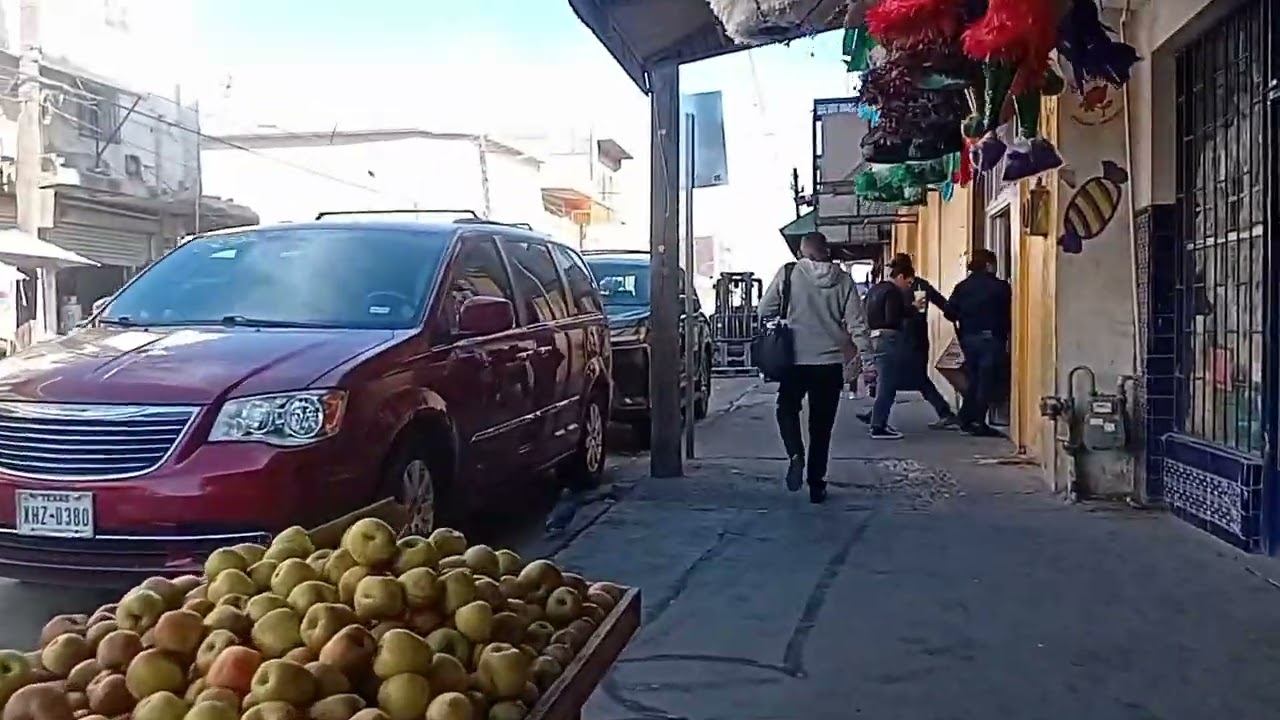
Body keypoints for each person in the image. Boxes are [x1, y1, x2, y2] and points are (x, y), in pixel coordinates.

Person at [759, 232, 870, 504]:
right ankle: (816, 484)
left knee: (786, 409)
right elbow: (858, 323)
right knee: (821, 427)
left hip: (794, 360)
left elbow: (765, 310)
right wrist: (868, 360)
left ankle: (795, 453)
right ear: (826, 251)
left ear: (803, 253)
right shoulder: (843, 279)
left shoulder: (789, 273)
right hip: (830, 364)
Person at [856, 254, 959, 429]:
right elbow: (942, 304)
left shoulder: (903, 287)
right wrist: (954, 316)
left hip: (904, 338)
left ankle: (878, 416)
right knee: (904, 378)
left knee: (905, 378)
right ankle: (877, 414)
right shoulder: (917, 286)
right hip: (913, 337)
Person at [945, 248, 1012, 437]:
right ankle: (978, 422)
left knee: (974, 379)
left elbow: (949, 312)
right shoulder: (1001, 287)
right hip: (992, 339)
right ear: (989, 265)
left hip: (969, 338)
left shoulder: (962, 287)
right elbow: (1010, 314)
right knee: (986, 382)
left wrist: (964, 319)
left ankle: (966, 418)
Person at [861, 263, 916, 439]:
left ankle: (875, 419)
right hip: (889, 337)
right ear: (899, 276)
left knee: (884, 381)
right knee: (888, 384)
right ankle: (878, 425)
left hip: (874, 336)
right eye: (908, 281)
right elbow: (892, 317)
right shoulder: (893, 292)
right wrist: (912, 309)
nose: (908, 286)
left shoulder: (875, 289)